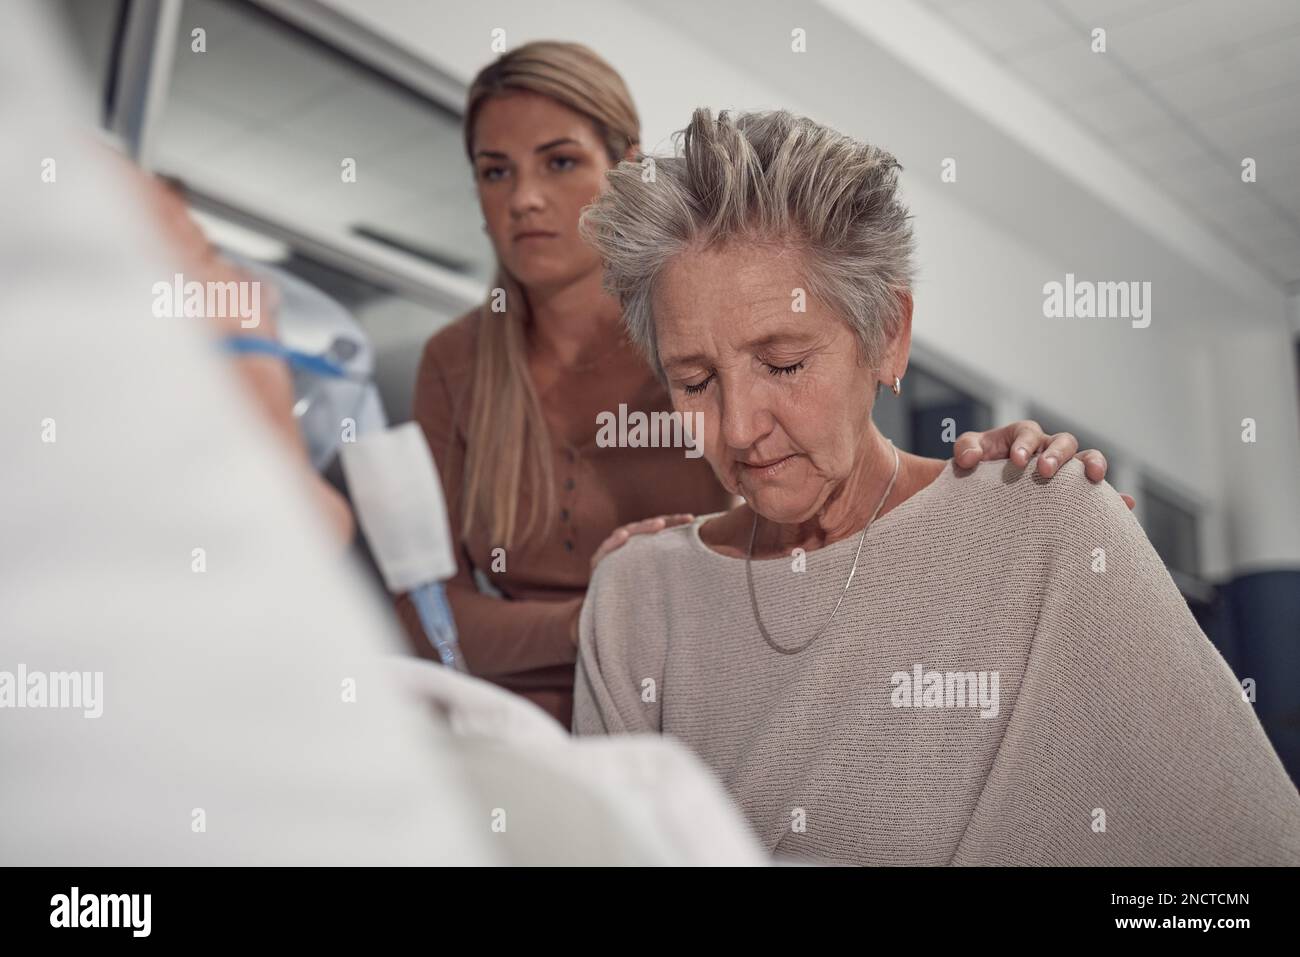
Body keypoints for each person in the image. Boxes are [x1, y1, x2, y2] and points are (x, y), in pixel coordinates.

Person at [572, 107, 1300, 865]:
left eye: (784, 364)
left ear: (888, 335)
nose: (739, 428)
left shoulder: (1042, 521)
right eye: (694, 381)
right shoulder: (636, 598)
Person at [398, 41, 1129, 728]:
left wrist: (984, 495)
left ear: (624, 169)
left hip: (708, 697)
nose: (524, 199)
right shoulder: (456, 363)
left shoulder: (698, 324)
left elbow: (819, 518)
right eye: (495, 171)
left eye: (558, 162)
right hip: (516, 720)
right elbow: (425, 612)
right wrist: (614, 616)